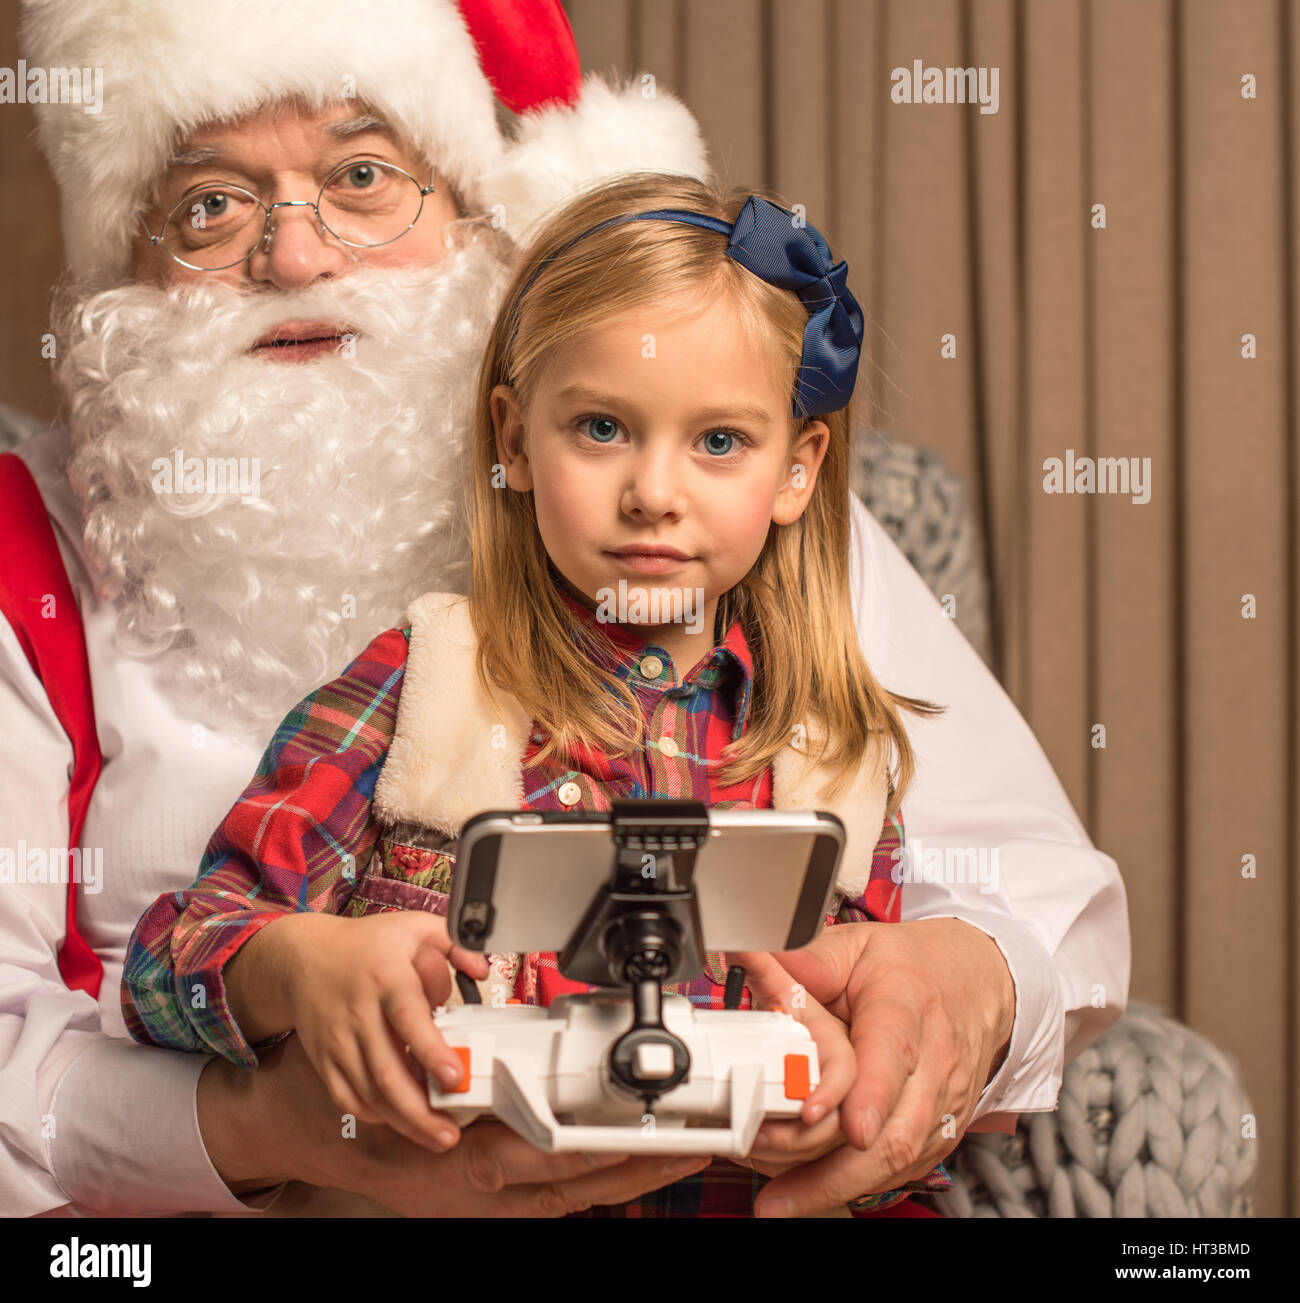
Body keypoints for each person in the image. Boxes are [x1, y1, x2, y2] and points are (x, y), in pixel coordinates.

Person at [0, 0, 1129, 1218]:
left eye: (364, 175)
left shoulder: (730, 520)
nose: (293, 258)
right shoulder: (51, 558)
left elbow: (1030, 897)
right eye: (209, 203)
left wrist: (953, 992)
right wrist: (281, 1122)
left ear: (480, 205)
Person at [120, 173, 958, 1217]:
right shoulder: (422, 680)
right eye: (601, 428)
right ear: (514, 438)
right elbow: (168, 964)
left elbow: (882, 1075)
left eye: (719, 442)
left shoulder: (841, 753)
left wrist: (848, 1106)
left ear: (797, 469)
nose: (654, 489)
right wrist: (299, 965)